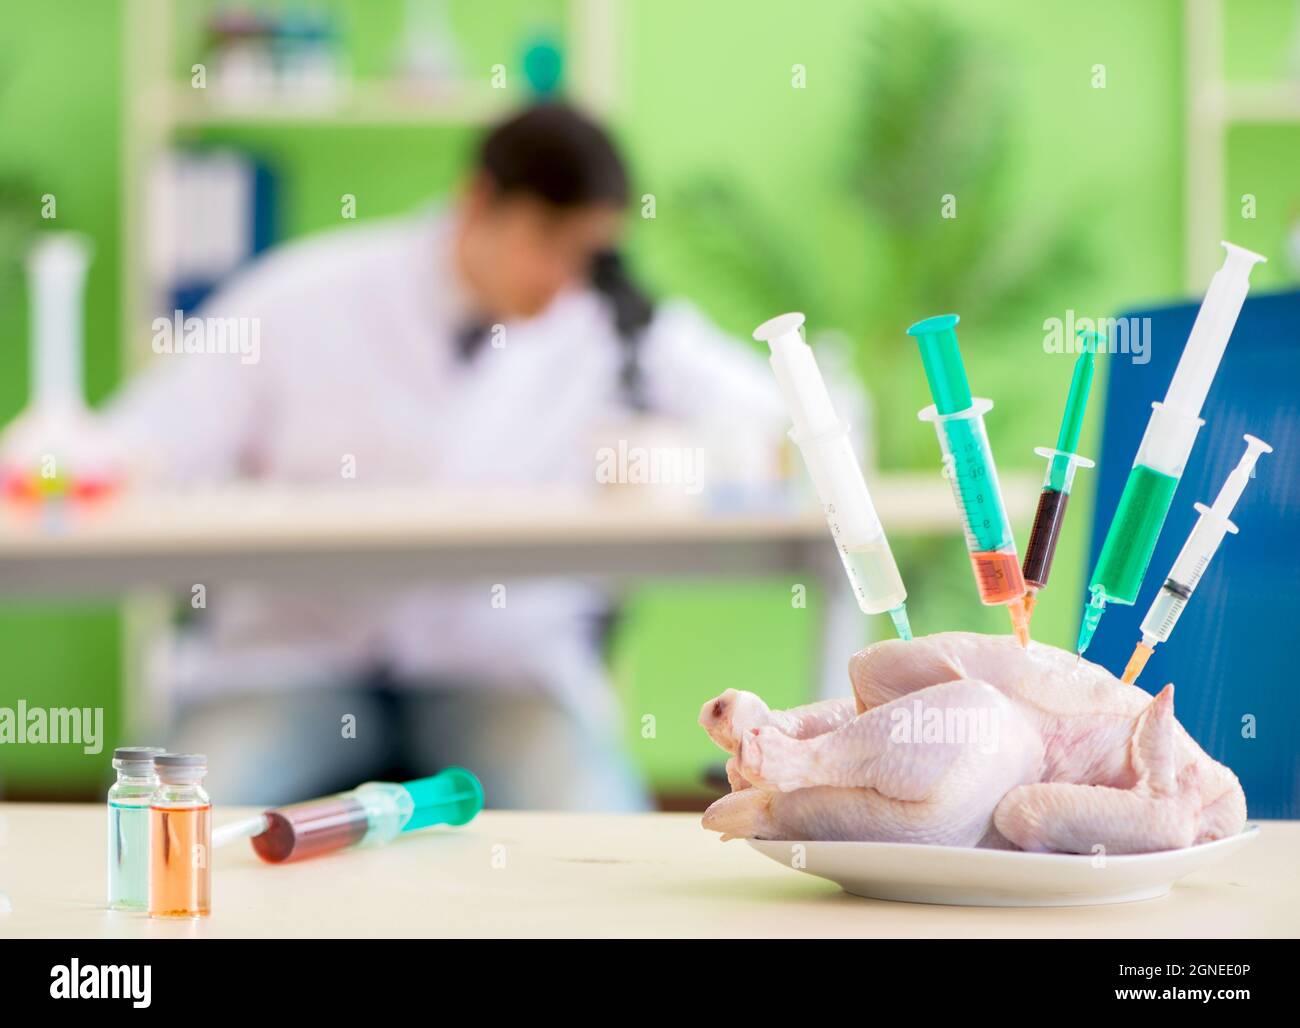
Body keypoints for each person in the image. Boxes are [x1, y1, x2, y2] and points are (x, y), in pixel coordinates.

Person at [100, 103, 787, 809]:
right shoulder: (302, 297)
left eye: (587, 252)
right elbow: (141, 444)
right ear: (478, 200)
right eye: (546, 239)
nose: (561, 276)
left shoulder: (610, 325)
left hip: (495, 669)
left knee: (594, 821)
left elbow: (776, 418)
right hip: (293, 660)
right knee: (167, 818)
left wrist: (677, 461)